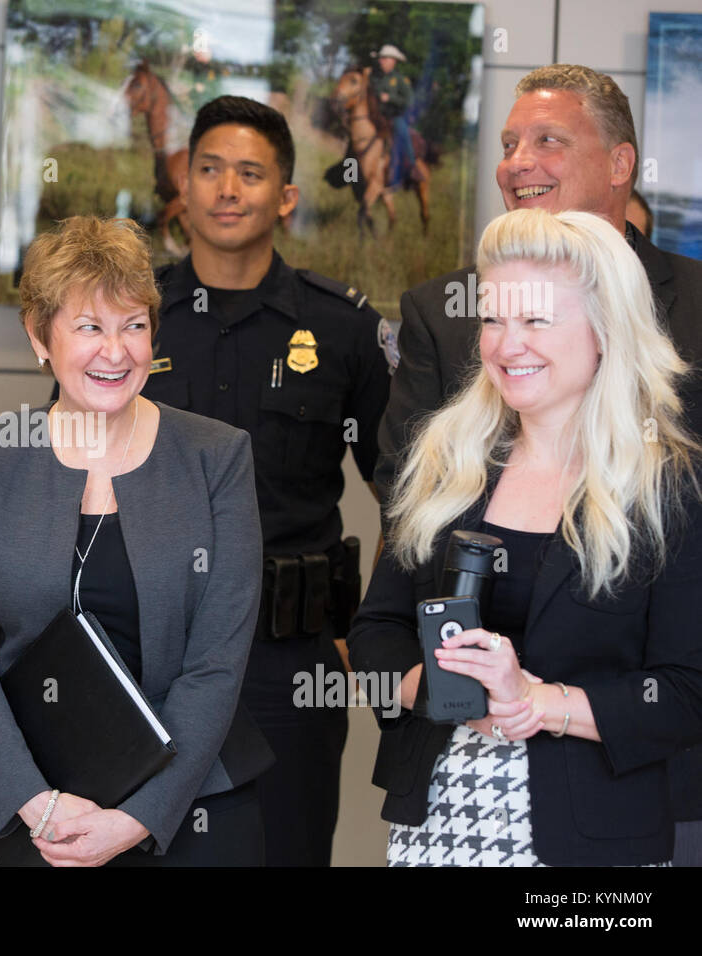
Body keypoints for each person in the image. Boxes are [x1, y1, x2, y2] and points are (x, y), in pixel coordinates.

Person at [374, 63, 702, 864]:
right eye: (493, 318)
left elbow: (685, 693)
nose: (505, 344)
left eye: (536, 320)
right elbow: (377, 631)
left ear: (604, 334)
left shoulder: (666, 491)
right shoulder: (444, 468)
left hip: (595, 842)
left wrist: (536, 703)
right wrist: (441, 692)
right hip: (434, 825)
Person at [0, 216, 273, 866]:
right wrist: (36, 802)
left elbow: (216, 661)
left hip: (188, 807)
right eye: (90, 327)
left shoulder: (217, 457)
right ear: (39, 337)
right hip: (21, 807)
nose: (115, 352)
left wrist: (138, 818)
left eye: (133, 326)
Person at [141, 95, 390, 865]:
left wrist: (373, 634)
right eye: (208, 170)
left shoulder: (342, 328)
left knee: (284, 850)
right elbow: (59, 475)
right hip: (145, 653)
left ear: (285, 197)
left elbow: (413, 498)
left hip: (289, 661)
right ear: (183, 189)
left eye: (249, 174)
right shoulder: (129, 315)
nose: (225, 189)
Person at [374, 44, 414, 191]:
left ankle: (411, 169)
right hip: (379, 116)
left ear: (393, 61)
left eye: (384, 58)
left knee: (403, 135)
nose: (381, 61)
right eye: (381, 59)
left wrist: (390, 98)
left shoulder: (401, 80)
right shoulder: (379, 80)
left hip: (395, 117)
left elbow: (409, 101)